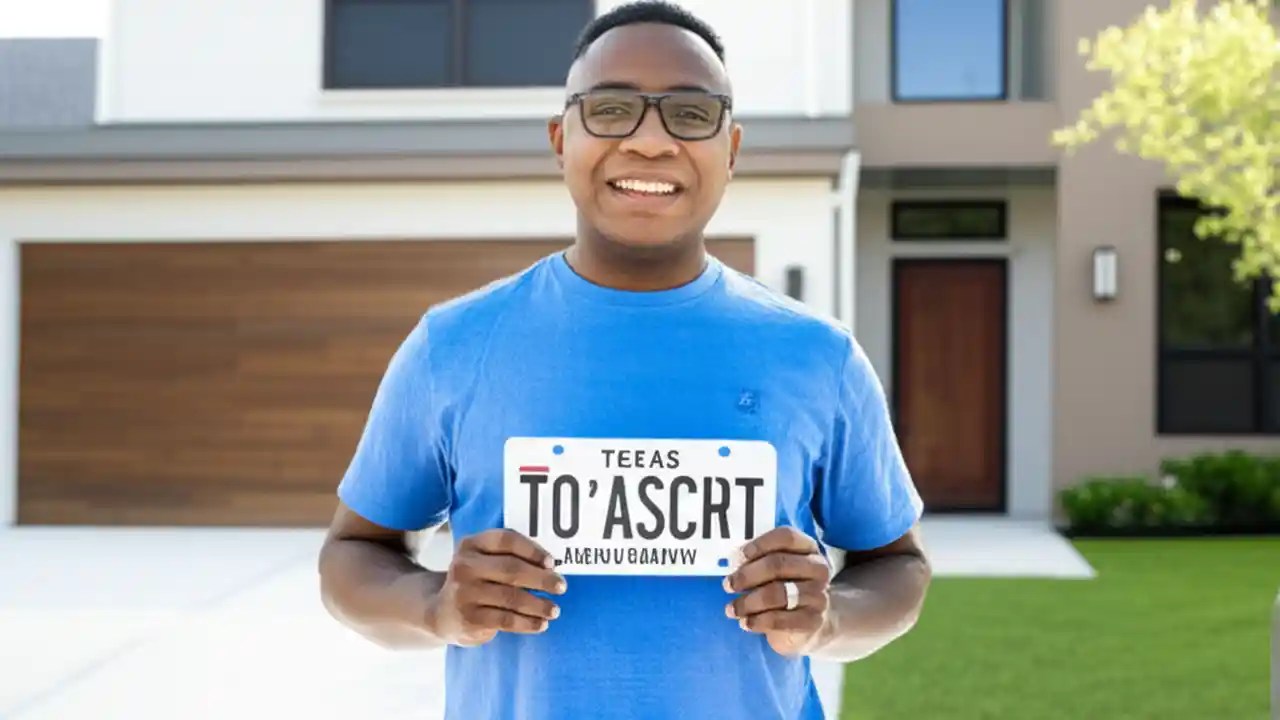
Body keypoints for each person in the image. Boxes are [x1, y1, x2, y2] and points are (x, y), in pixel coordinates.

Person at [317, 2, 931, 719]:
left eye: (690, 114)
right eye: (611, 109)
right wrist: (435, 605)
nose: (650, 142)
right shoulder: (452, 346)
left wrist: (829, 616)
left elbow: (898, 566)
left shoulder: (819, 357)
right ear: (561, 138)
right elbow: (351, 557)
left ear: (731, 148)